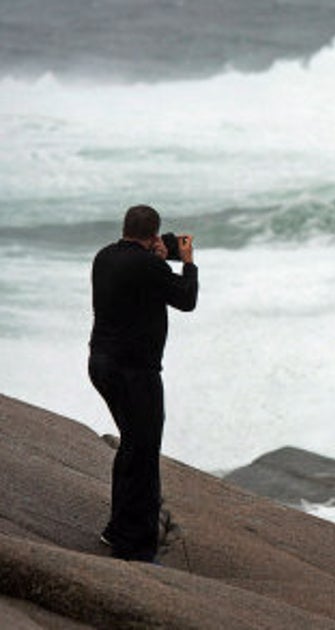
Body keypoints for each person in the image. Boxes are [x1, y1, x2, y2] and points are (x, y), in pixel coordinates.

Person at [88, 204, 198, 562]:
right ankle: (134, 544)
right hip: (135, 372)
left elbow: (135, 269)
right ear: (153, 236)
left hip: (101, 363)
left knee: (132, 447)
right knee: (144, 453)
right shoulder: (150, 266)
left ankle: (117, 530)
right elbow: (186, 299)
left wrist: (158, 254)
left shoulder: (104, 256)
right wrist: (188, 262)